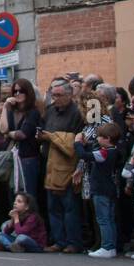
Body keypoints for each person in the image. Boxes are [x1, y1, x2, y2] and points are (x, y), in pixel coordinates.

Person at [38, 80, 83, 253]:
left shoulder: (76, 113)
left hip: (68, 163)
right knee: (53, 206)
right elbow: (43, 128)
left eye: (59, 95)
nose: (55, 99)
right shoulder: (50, 111)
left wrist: (53, 137)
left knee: (70, 207)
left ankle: (73, 242)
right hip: (49, 162)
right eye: (53, 95)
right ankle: (59, 241)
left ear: (69, 95)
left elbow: (77, 138)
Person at [78, 121, 124, 258]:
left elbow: (85, 155)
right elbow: (92, 152)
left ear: (107, 139)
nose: (97, 139)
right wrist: (87, 145)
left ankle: (107, 246)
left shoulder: (105, 153)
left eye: (99, 137)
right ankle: (111, 246)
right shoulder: (114, 151)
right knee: (109, 219)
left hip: (101, 189)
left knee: (103, 219)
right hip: (109, 189)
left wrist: (78, 144)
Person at [0, 79, 41, 199]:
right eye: (15, 91)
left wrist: (9, 134)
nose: (17, 94)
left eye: (21, 91)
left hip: (28, 159)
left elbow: (22, 134)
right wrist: (6, 107)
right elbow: (2, 129)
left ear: (28, 92)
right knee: (13, 195)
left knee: (27, 195)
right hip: (14, 158)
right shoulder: (12, 110)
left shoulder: (33, 112)